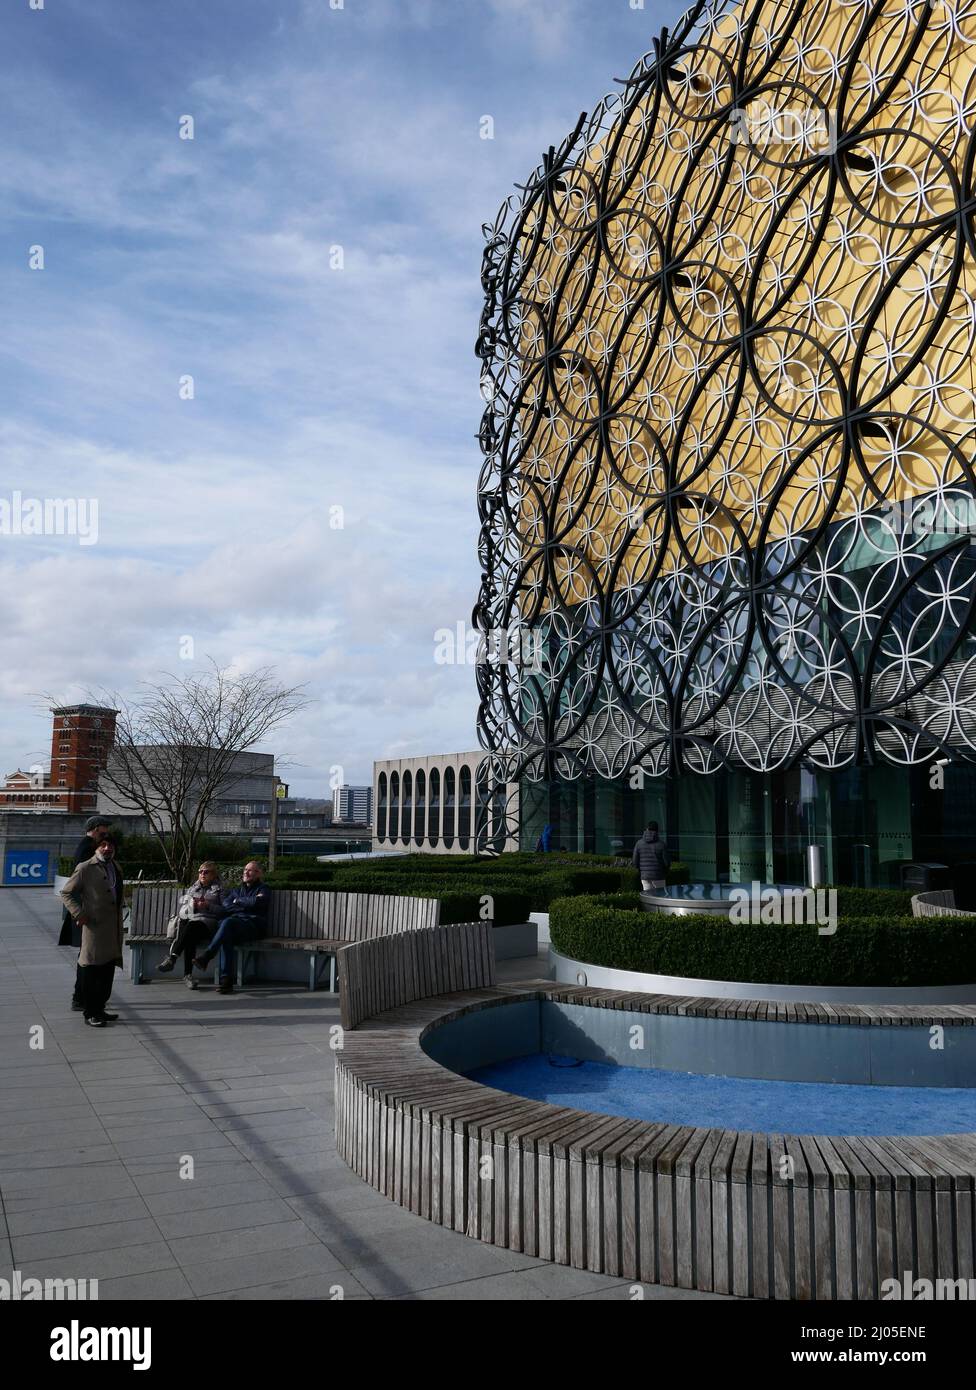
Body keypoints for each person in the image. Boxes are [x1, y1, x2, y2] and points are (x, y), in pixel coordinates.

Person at [59, 834, 124, 1028]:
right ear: (96, 848)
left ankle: (100, 1008)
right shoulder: (85, 868)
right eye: (103, 845)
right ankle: (90, 1012)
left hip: (113, 928)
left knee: (107, 971)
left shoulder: (115, 867)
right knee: (92, 970)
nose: (107, 848)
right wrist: (79, 914)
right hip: (94, 928)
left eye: (110, 845)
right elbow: (66, 892)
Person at [59, 817, 112, 1012]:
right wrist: (79, 913)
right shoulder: (86, 850)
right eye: (104, 832)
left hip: (88, 912)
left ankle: (84, 997)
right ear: (95, 829)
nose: (106, 837)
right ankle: (80, 997)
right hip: (85, 914)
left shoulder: (88, 846)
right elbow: (77, 886)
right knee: (87, 959)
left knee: (87, 957)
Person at [193, 861, 271, 994]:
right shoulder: (237, 890)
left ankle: (208, 956)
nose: (246, 872)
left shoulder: (263, 889)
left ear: (259, 873)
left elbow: (259, 902)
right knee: (226, 933)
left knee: (227, 924)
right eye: (245, 869)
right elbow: (227, 906)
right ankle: (226, 982)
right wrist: (246, 902)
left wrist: (238, 901)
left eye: (250, 870)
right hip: (236, 925)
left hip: (253, 926)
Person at [156, 861, 223, 988]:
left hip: (209, 924)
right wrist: (192, 906)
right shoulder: (193, 889)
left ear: (213, 875)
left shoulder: (220, 889)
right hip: (192, 922)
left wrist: (208, 906)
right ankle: (188, 976)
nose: (202, 874)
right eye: (200, 871)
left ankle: (172, 958)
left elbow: (224, 910)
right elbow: (184, 909)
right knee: (189, 932)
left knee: (190, 928)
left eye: (206, 872)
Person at [633, 821, 671, 891]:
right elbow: (667, 863)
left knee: (648, 897)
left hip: (645, 876)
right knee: (660, 897)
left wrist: (642, 871)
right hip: (659, 876)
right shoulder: (661, 844)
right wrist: (665, 872)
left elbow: (635, 862)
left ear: (646, 829)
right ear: (657, 830)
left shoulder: (639, 843)